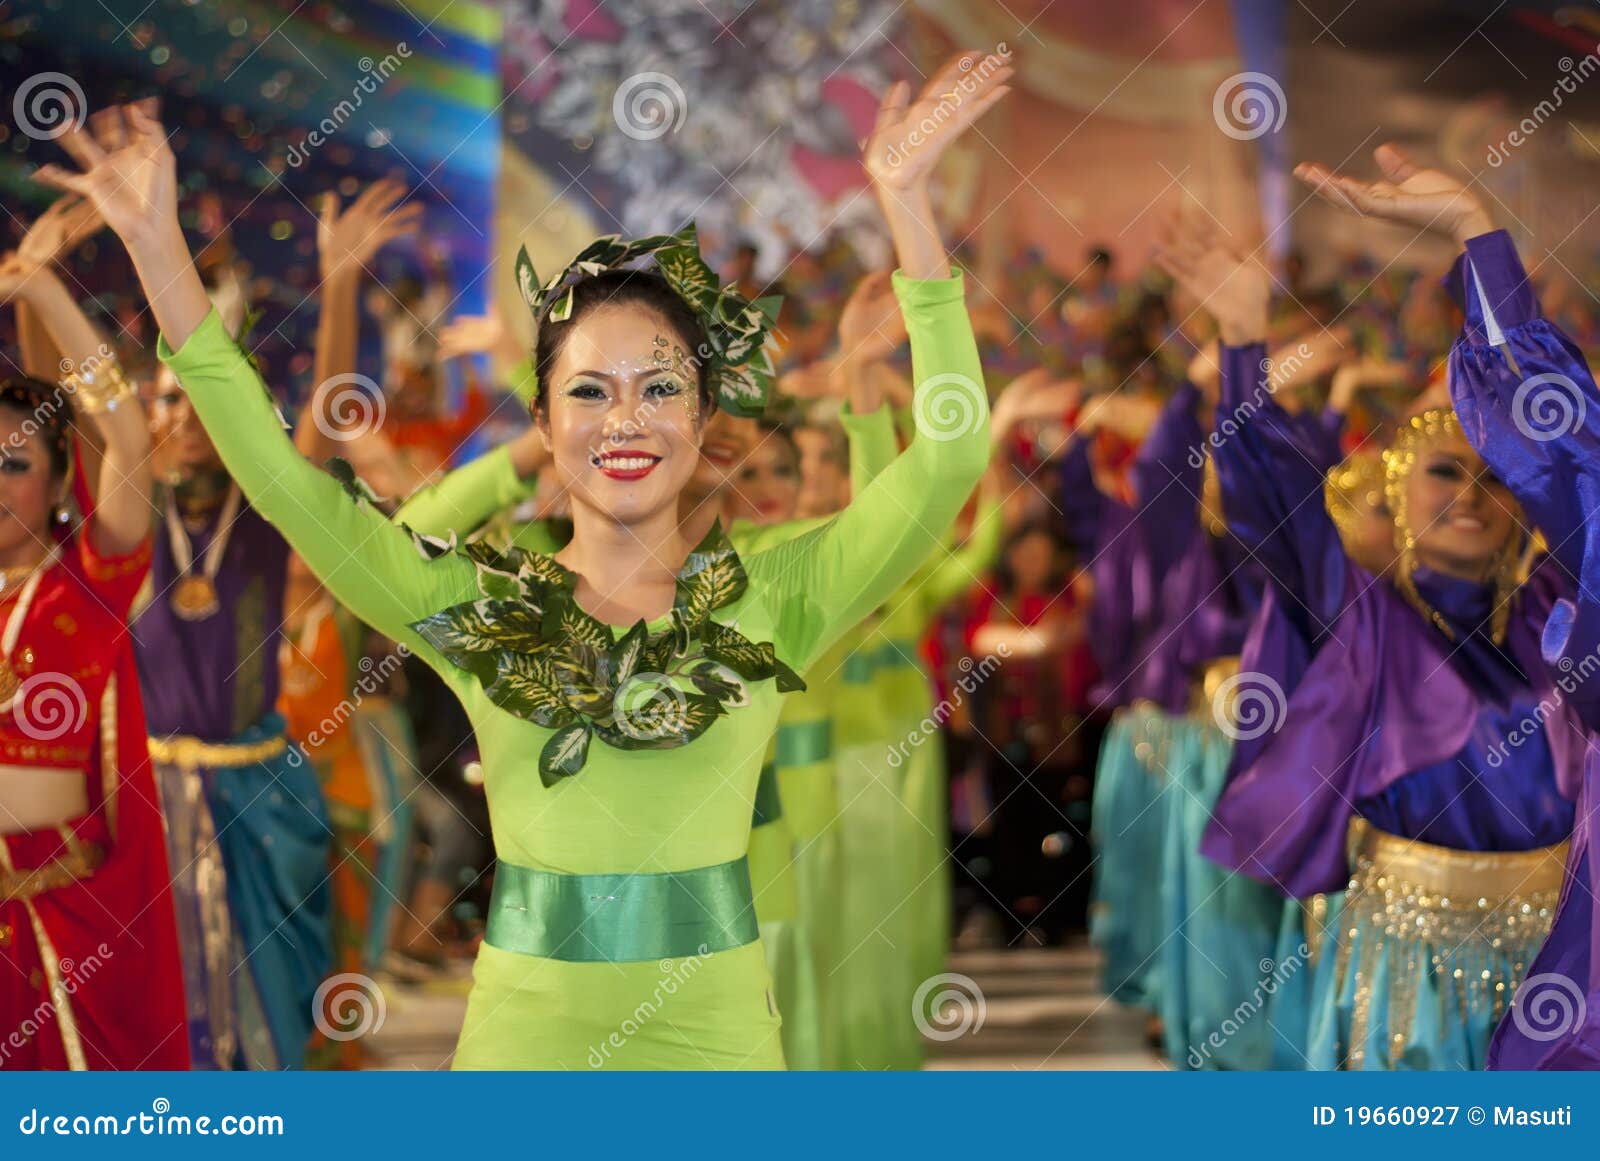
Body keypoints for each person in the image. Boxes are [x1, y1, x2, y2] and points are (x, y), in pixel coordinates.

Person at [55, 54, 1006, 1068]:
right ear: (542, 430)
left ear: (702, 418)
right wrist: (159, 249)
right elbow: (286, 484)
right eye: (590, 392)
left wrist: (906, 214)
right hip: (523, 1046)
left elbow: (949, 458)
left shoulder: (781, 595)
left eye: (660, 388)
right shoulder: (474, 609)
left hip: (719, 1042)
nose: (625, 419)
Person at [1161, 148, 1581, 1069]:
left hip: (1559, 959)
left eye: (1491, 477)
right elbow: (1274, 502)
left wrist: (1478, 232)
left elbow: (1574, 457)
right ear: (1394, 494)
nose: (1471, 494)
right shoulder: (1359, 613)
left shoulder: (1561, 612)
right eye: (1443, 471)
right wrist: (1241, 347)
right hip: (1406, 962)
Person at [0, 199, 186, 1070]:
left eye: (16, 463)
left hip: (63, 924)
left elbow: (125, 435)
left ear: (56, 478)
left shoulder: (91, 581)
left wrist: (42, 290)